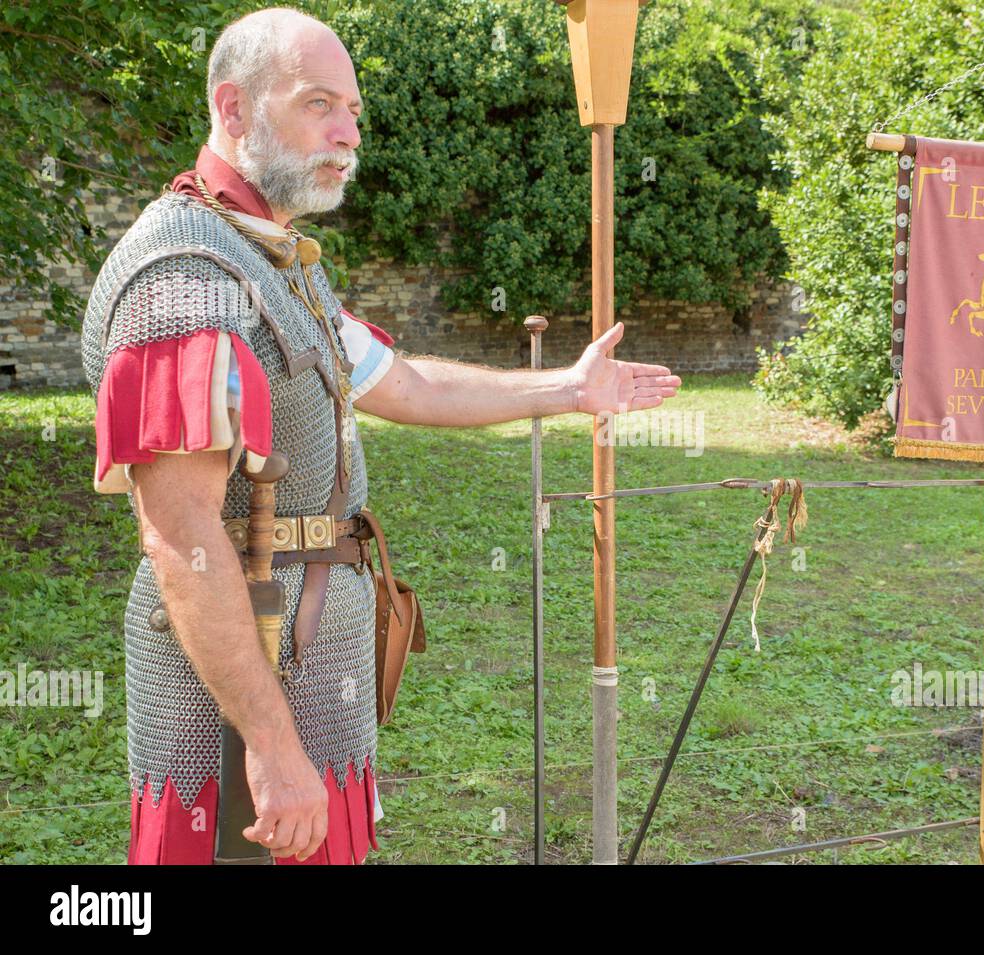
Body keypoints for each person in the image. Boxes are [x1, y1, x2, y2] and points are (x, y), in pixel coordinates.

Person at [80, 6, 680, 864]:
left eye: (354, 112)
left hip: (311, 661)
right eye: (320, 104)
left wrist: (571, 388)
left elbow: (401, 380)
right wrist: (275, 747)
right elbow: (182, 539)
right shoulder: (187, 280)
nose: (348, 133)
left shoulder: (276, 260)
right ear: (234, 108)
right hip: (237, 695)